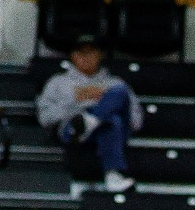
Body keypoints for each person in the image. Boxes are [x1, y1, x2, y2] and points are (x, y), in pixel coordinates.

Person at [35, 34, 142, 193]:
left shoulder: (114, 82)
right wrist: (75, 101)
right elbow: (45, 118)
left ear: (100, 54)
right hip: (73, 131)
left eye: (91, 52)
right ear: (73, 56)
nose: (86, 58)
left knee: (116, 105)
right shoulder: (58, 82)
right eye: (81, 53)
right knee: (111, 121)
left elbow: (136, 121)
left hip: (113, 130)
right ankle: (112, 173)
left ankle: (91, 121)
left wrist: (105, 104)